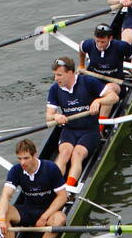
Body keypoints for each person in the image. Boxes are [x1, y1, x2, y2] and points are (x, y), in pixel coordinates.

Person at [45, 56, 113, 186]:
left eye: (59, 75)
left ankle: (69, 188)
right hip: (70, 130)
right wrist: (56, 117)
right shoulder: (55, 89)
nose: (55, 79)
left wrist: (98, 101)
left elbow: (113, 97)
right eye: (55, 75)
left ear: (70, 73)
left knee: (77, 154)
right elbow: (48, 115)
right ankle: (54, 187)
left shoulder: (88, 82)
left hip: (90, 130)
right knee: (64, 154)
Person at [0, 137, 68, 238]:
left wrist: (44, 217)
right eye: (19, 159)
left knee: (60, 219)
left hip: (48, 212)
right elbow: (5, 196)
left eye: (26, 158)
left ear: (34, 155)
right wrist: (2, 219)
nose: (22, 162)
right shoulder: (16, 170)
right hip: (28, 210)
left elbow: (63, 197)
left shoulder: (50, 168)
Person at [79, 22, 132, 92]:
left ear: (110, 38)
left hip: (115, 83)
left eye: (103, 42)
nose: (99, 45)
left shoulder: (121, 46)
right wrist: (81, 65)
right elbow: (81, 48)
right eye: (97, 41)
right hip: (94, 80)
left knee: (109, 88)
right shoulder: (88, 44)